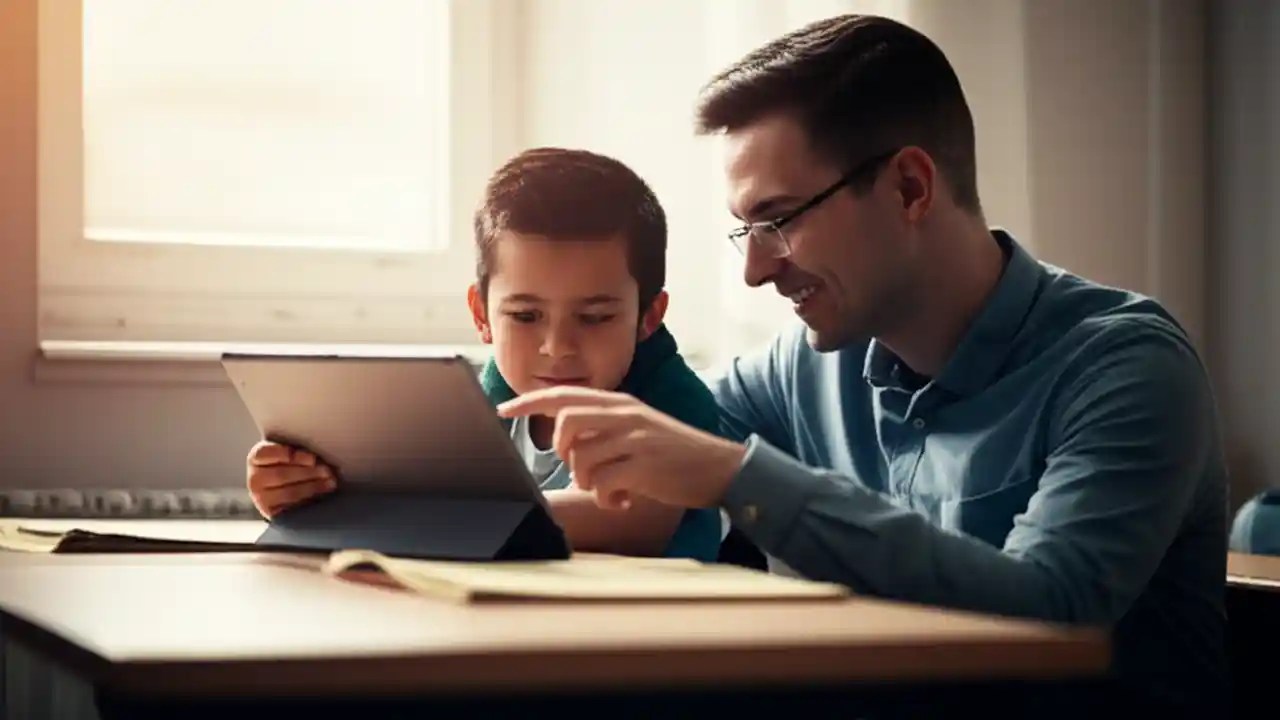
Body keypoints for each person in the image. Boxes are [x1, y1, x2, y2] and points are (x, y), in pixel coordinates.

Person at [496, 14, 1228, 710]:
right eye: (744, 230)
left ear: (911, 188)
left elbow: (1048, 610)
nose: (754, 270)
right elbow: (641, 467)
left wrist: (733, 475)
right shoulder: (801, 369)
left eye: (777, 221)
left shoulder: (1125, 367)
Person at [246, 147, 723, 560]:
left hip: (660, 640)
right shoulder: (478, 398)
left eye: (595, 318)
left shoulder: (670, 400)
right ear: (481, 315)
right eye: (525, 316)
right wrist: (308, 499)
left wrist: (417, 517)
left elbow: (625, 520)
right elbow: (413, 489)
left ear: (648, 316)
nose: (557, 348)